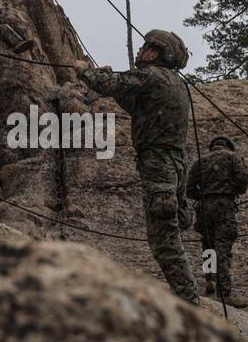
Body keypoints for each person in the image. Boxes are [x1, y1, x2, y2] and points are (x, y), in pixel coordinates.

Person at [74, 30, 198, 303]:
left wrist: (86, 71)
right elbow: (135, 104)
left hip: (159, 166)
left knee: (165, 244)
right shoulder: (175, 83)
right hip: (174, 166)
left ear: (155, 53)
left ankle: (190, 306)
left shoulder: (152, 75)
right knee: (168, 237)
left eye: (144, 48)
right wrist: (107, 79)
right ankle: (189, 301)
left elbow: (109, 84)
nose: (140, 52)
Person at [187, 135, 248, 307]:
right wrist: (233, 191)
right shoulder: (233, 157)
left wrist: (205, 195)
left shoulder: (200, 161)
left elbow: (189, 189)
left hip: (204, 207)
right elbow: (243, 179)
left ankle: (209, 279)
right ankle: (225, 294)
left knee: (207, 244)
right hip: (224, 205)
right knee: (223, 247)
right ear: (228, 146)